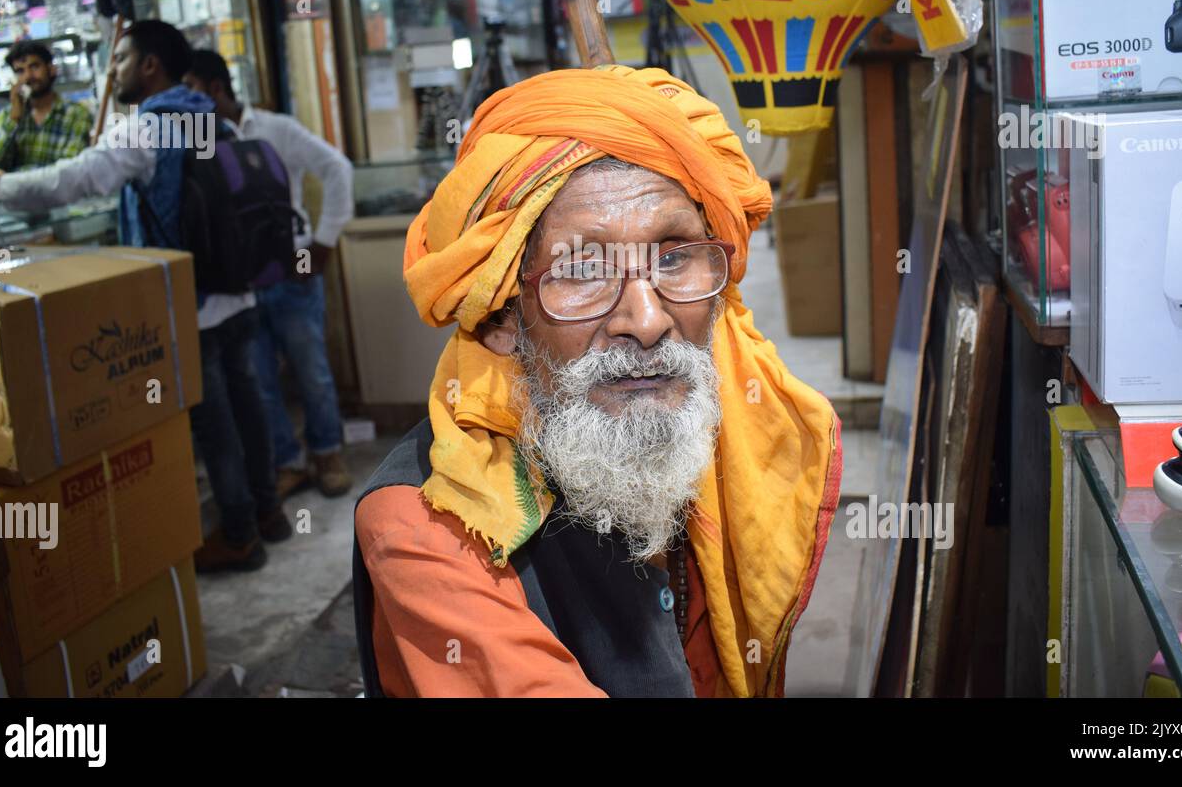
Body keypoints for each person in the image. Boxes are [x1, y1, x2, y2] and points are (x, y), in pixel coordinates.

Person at [351, 65, 842, 697]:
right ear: (502, 320)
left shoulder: (724, 434)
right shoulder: (426, 521)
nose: (646, 319)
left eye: (673, 255)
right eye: (582, 267)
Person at [0, 20, 288, 574]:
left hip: (190, 296)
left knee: (215, 423)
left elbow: (78, 180)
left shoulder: (150, 125)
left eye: (122, 59)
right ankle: (269, 512)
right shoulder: (208, 114)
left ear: (150, 65)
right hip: (238, 288)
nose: (113, 70)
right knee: (248, 405)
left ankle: (239, 535)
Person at [184, 50, 355, 498]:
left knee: (311, 368)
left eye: (193, 90)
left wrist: (324, 240)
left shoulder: (276, 128)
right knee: (259, 379)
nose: (186, 100)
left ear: (216, 88)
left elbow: (337, 168)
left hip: (293, 268)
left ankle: (327, 453)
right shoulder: (200, 141)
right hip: (239, 281)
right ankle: (288, 461)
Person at [0, 39, 93, 172]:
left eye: (35, 66)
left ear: (51, 69)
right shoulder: (8, 116)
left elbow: (70, 170)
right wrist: (14, 121)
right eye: (20, 71)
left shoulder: (76, 114)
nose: (28, 76)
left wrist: (16, 176)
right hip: (16, 192)